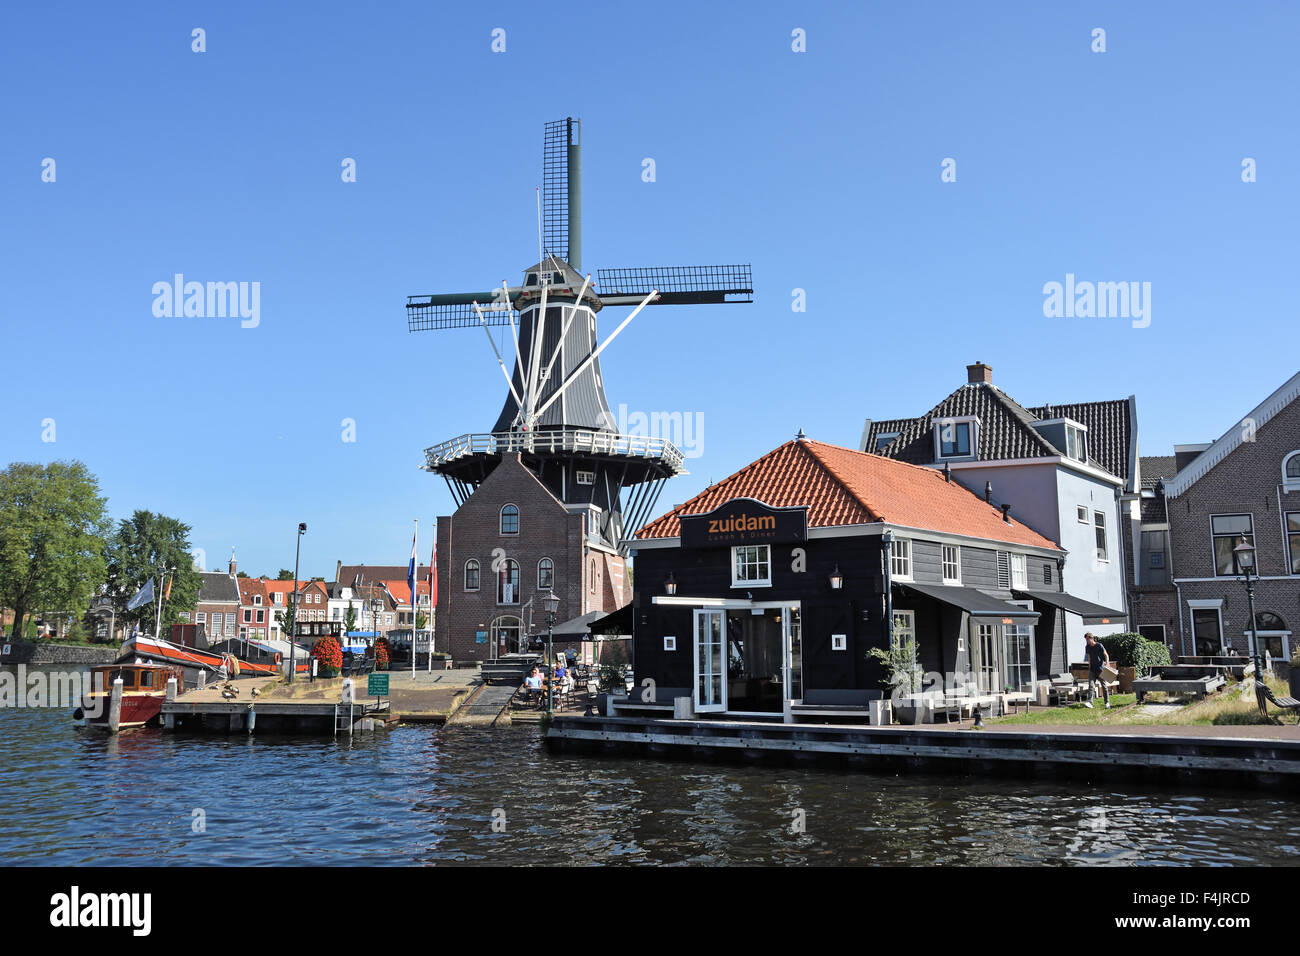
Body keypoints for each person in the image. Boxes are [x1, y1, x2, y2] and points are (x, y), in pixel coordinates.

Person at [1082, 632, 1110, 708]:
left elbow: (1106, 655)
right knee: (1091, 686)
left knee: (1104, 686)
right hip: (1092, 670)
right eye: (1086, 639)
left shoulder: (1099, 645)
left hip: (1100, 669)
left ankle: (1107, 703)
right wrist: (1089, 666)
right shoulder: (1087, 647)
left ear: (1091, 638)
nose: (1087, 641)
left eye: (1087, 639)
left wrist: (1107, 663)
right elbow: (1089, 658)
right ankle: (1090, 703)